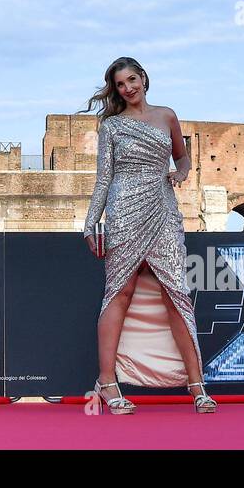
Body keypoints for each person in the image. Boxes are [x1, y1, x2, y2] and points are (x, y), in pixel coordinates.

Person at [79, 56, 216, 415]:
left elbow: (182, 158)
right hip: (124, 208)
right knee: (119, 291)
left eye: (132, 79)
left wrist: (181, 174)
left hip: (163, 209)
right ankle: (108, 383)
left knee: (176, 293)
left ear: (143, 78)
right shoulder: (111, 126)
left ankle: (197, 384)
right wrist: (92, 220)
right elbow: (103, 178)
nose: (128, 88)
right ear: (117, 90)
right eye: (121, 84)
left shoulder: (167, 115)